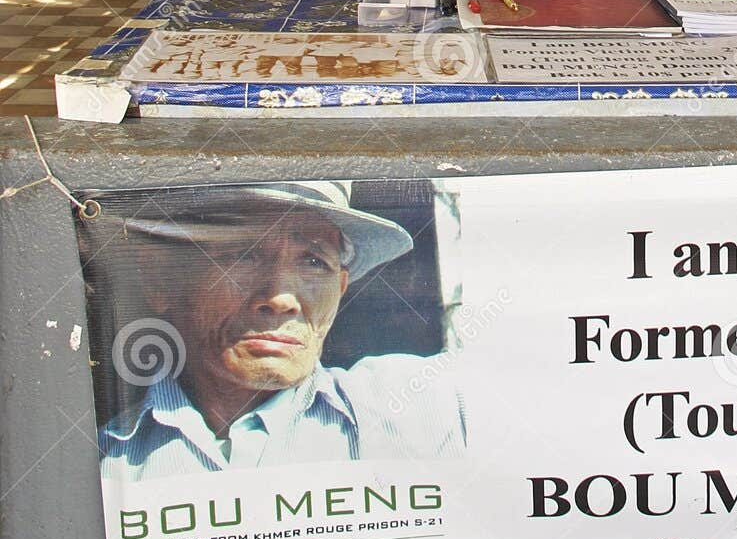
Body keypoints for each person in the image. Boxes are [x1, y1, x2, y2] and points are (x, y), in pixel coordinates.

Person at [97, 183, 464, 479]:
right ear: (161, 281)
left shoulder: (416, 409)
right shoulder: (103, 462)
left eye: (313, 262)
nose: (281, 298)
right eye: (243, 255)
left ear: (340, 290)